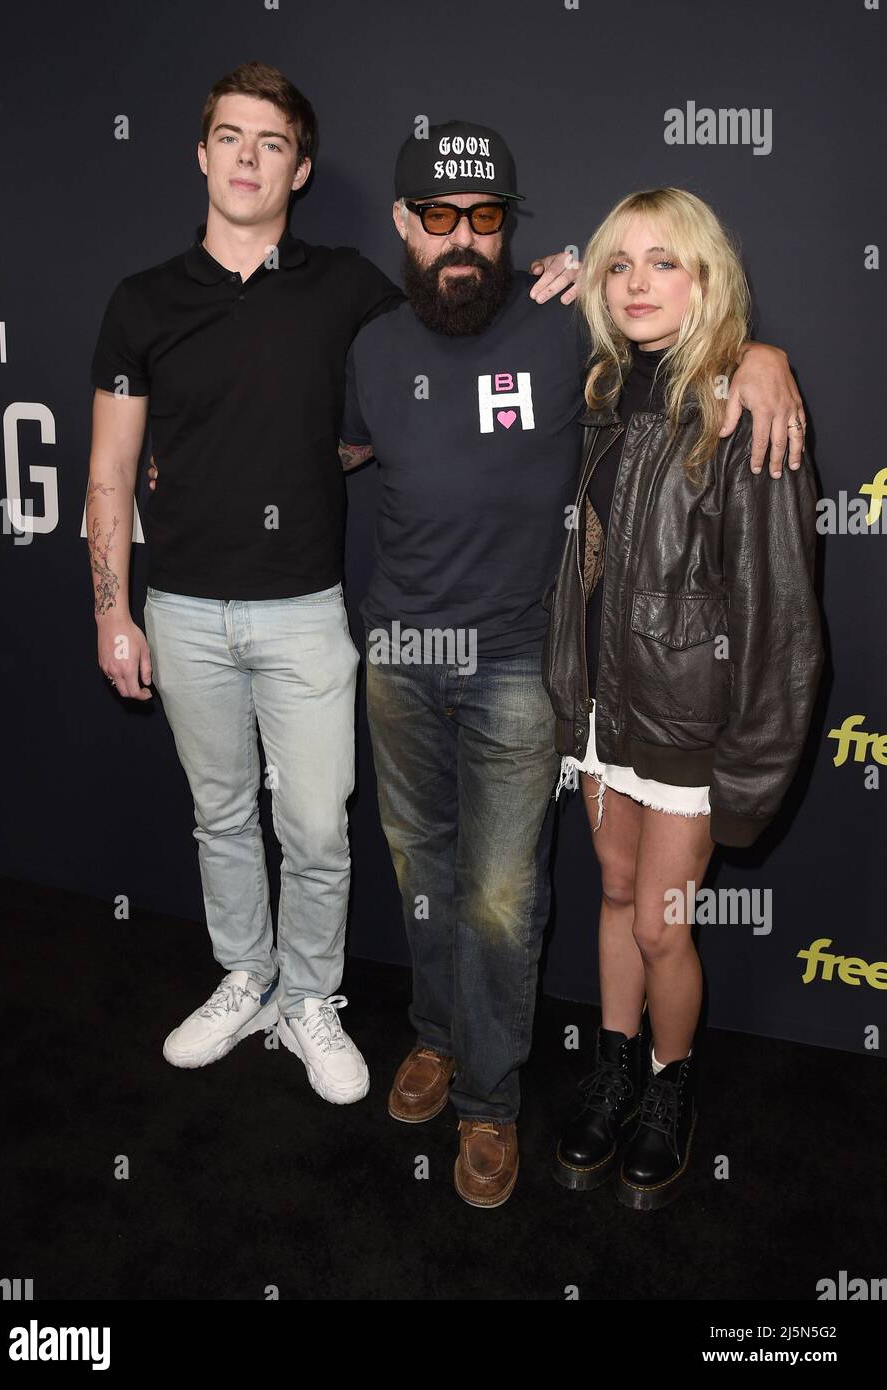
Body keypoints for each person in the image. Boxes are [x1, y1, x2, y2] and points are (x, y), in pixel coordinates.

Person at [338, 127, 807, 1207]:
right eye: (438, 216)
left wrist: (760, 355)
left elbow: (677, 330)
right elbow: (342, 449)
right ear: (404, 226)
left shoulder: (568, 336)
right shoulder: (388, 350)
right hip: (418, 661)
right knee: (429, 878)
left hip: (527, 670)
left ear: (512, 225)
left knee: (507, 900)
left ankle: (494, 1105)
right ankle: (443, 1038)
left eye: (486, 216)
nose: (462, 238)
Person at [89, 65, 573, 1102]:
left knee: (319, 829)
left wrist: (729, 346)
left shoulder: (354, 286)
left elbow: (408, 386)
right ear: (203, 152)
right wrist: (112, 610)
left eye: (271, 142)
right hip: (181, 610)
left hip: (315, 611)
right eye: (230, 137)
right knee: (222, 817)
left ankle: (313, 997)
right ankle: (246, 976)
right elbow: (107, 473)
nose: (249, 157)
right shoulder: (142, 302)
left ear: (300, 169)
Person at [542, 187, 823, 1209]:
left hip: (689, 727)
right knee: (616, 897)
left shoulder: (743, 402)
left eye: (664, 262)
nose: (637, 283)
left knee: (664, 923)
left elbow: (782, 616)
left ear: (706, 279)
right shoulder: (604, 393)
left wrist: (747, 768)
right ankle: (614, 1060)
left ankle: (669, 1085)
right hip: (604, 712)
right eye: (619, 265)